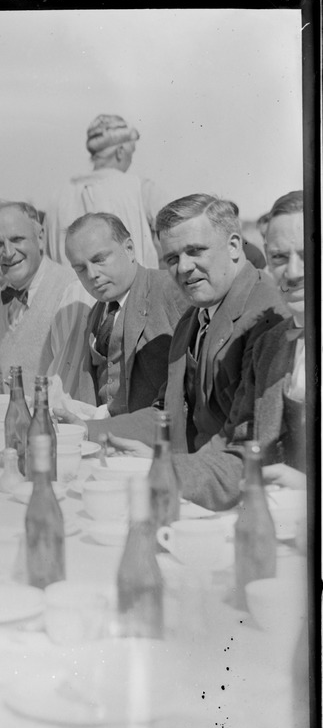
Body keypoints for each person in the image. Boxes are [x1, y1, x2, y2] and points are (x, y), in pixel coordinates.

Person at [106, 192, 306, 509]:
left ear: (235, 246)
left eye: (196, 251)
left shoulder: (266, 319)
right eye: (172, 259)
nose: (184, 267)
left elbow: (247, 449)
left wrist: (167, 470)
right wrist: (85, 432)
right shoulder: (197, 318)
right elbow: (171, 412)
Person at [56, 212, 189, 417]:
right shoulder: (97, 313)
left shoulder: (170, 289)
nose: (92, 275)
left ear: (129, 249)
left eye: (99, 260)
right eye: (80, 268)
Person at [0, 201, 93, 398]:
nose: (8, 253)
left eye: (17, 239)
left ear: (40, 238)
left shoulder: (71, 291)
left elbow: (65, 392)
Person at [44, 114, 170, 269]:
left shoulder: (57, 197)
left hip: (71, 284)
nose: (131, 160)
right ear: (120, 151)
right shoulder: (140, 188)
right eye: (132, 152)